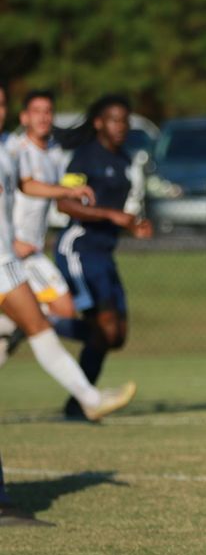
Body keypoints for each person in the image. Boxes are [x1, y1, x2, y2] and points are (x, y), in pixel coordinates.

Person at [0, 126, 136, 420]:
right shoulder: (14, 150)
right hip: (10, 255)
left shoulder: (5, 153)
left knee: (40, 324)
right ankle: (90, 398)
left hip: (6, 261)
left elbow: (27, 185)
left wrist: (67, 191)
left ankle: (90, 398)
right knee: (38, 323)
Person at [50, 95, 154, 420]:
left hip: (104, 254)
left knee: (116, 336)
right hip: (78, 248)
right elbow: (64, 203)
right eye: (114, 119)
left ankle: (75, 404)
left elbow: (117, 216)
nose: (120, 126)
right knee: (104, 328)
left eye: (124, 120)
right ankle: (39, 325)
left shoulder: (124, 161)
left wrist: (133, 225)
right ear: (98, 122)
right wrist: (112, 215)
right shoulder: (85, 157)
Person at [0, 91, 82, 355]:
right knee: (62, 309)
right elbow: (26, 188)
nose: (43, 117)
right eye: (37, 111)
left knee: (59, 313)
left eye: (48, 111)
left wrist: (73, 193)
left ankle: (14, 327)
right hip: (15, 249)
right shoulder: (13, 149)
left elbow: (43, 191)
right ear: (24, 117)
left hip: (32, 248)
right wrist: (11, 240)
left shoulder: (53, 153)